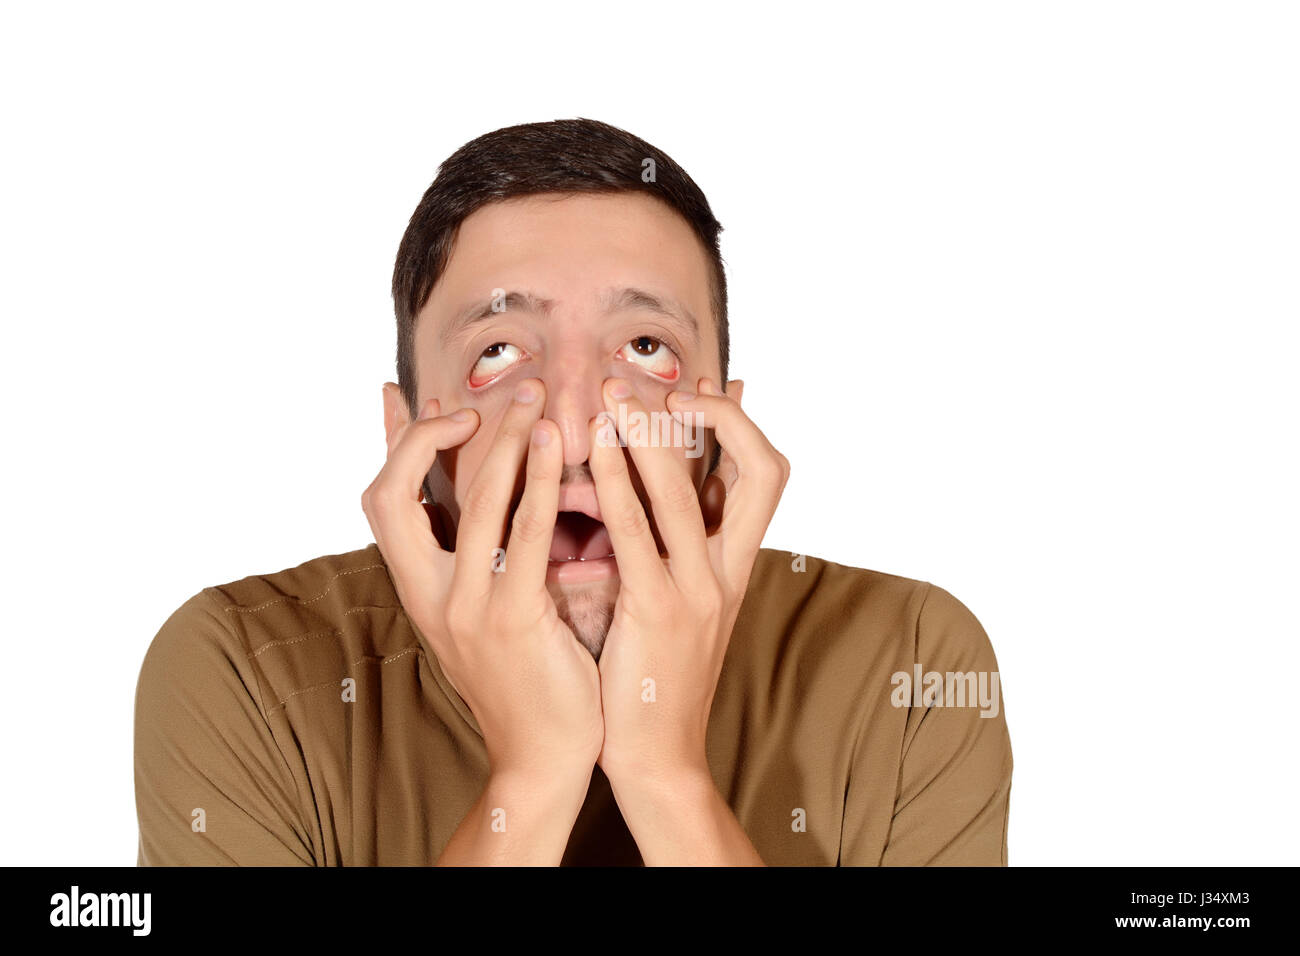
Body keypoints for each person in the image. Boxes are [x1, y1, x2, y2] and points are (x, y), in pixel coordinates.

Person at [134, 118, 1013, 866]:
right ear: (405, 435)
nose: (580, 418)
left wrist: (665, 775)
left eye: (644, 350)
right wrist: (537, 772)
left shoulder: (915, 664)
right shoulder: (243, 670)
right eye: (498, 352)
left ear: (724, 425)